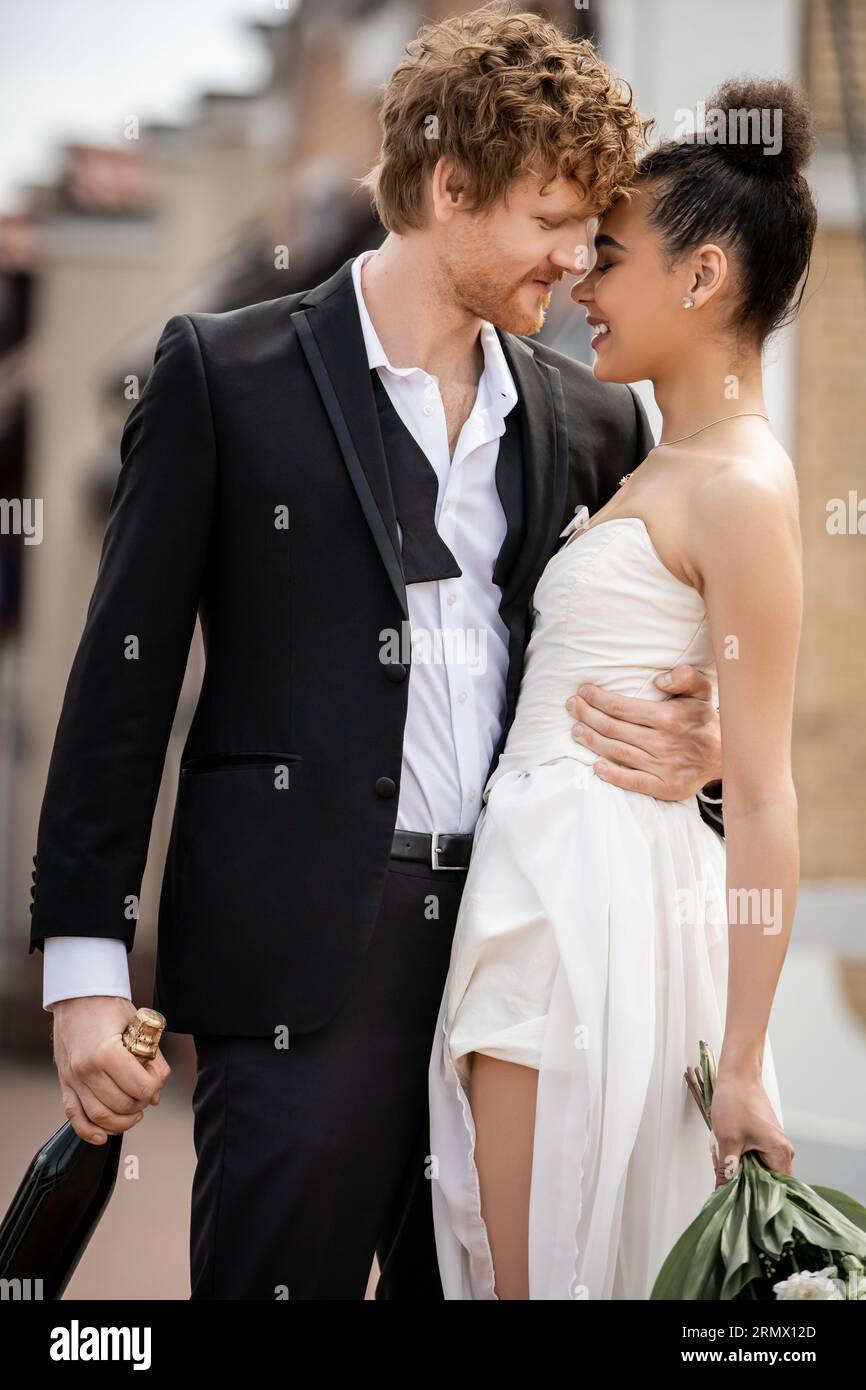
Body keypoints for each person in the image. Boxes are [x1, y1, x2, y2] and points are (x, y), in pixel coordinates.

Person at [31, 5, 722, 1299]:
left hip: (525, 957)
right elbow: (120, 679)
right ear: (448, 185)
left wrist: (706, 749)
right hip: (295, 969)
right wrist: (83, 971)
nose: (578, 256)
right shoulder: (222, 374)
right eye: (550, 216)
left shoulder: (593, 422)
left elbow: (657, 662)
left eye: (589, 224)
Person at [429, 73, 816, 1300]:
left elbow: (765, 792)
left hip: (596, 914)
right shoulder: (659, 460)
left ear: (699, 277)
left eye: (605, 258)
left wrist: (743, 1058)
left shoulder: (737, 486)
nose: (580, 287)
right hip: (551, 880)